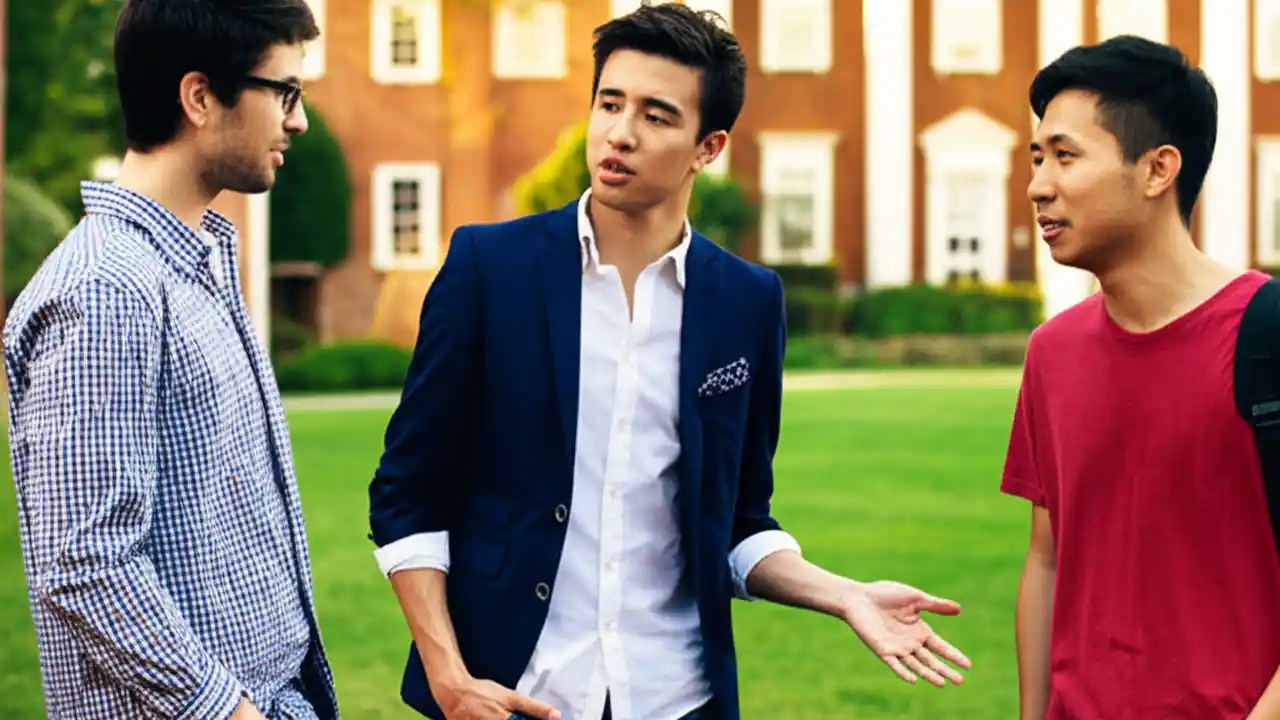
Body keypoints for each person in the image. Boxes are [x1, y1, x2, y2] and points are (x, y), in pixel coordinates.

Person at [367, 4, 971, 719]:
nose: (620, 133)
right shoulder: (488, 268)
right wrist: (448, 674)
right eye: (609, 103)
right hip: (508, 695)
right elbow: (407, 490)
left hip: (678, 698)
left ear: (707, 147)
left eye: (656, 116)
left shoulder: (748, 302)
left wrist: (843, 595)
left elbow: (739, 520)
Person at [3, 1, 337, 718]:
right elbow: (86, 561)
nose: (298, 120)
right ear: (199, 97)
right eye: (284, 91)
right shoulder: (105, 290)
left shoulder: (197, 260)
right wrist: (233, 711)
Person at [1004, 34, 1280, 719]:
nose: (1038, 185)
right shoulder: (1051, 353)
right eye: (1037, 158)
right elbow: (1047, 559)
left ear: (1158, 170)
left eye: (1065, 156)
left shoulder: (1269, 333)